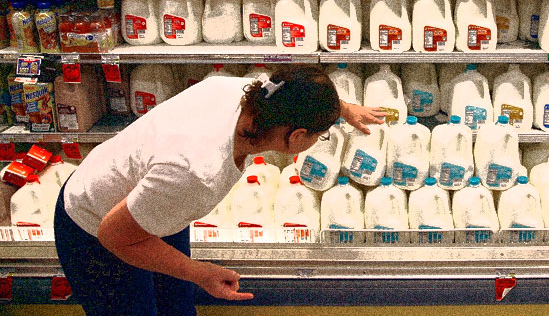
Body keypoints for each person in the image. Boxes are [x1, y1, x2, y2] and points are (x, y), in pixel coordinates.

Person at [54, 65, 384, 315]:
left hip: (146, 203)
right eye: (320, 135)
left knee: (178, 308)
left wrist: (344, 109)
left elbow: (292, 91)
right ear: (298, 137)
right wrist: (201, 273)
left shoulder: (247, 95)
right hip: (93, 228)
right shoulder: (198, 172)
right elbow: (115, 236)